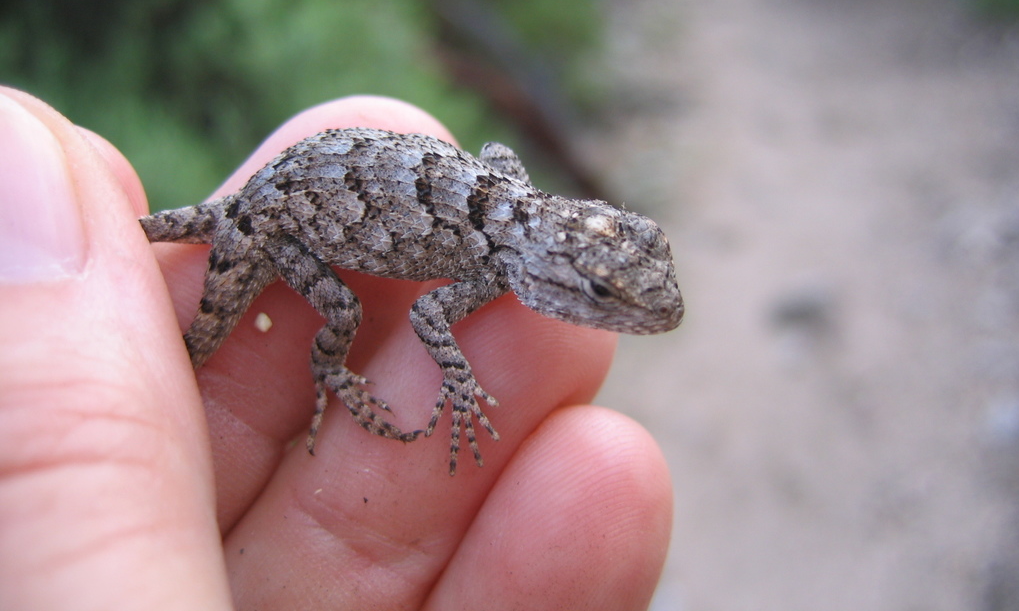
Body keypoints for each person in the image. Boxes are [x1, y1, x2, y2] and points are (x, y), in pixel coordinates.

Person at [0, 87, 672, 610]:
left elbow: (494, 152)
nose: (625, 313)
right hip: (274, 226)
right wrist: (459, 384)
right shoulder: (494, 262)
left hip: (273, 194)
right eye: (601, 295)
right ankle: (328, 369)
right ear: (557, 271)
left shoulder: (510, 194)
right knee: (335, 310)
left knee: (135, 233)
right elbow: (431, 315)